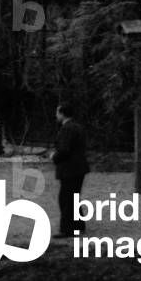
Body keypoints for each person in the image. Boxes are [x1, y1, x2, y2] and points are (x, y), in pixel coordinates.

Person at [51, 102, 89, 239]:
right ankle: (78, 224)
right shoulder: (78, 127)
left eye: (57, 112)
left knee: (66, 199)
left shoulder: (66, 129)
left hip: (69, 168)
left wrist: (54, 156)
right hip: (79, 167)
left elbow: (64, 150)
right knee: (73, 197)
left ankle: (67, 229)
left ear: (62, 113)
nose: (56, 115)